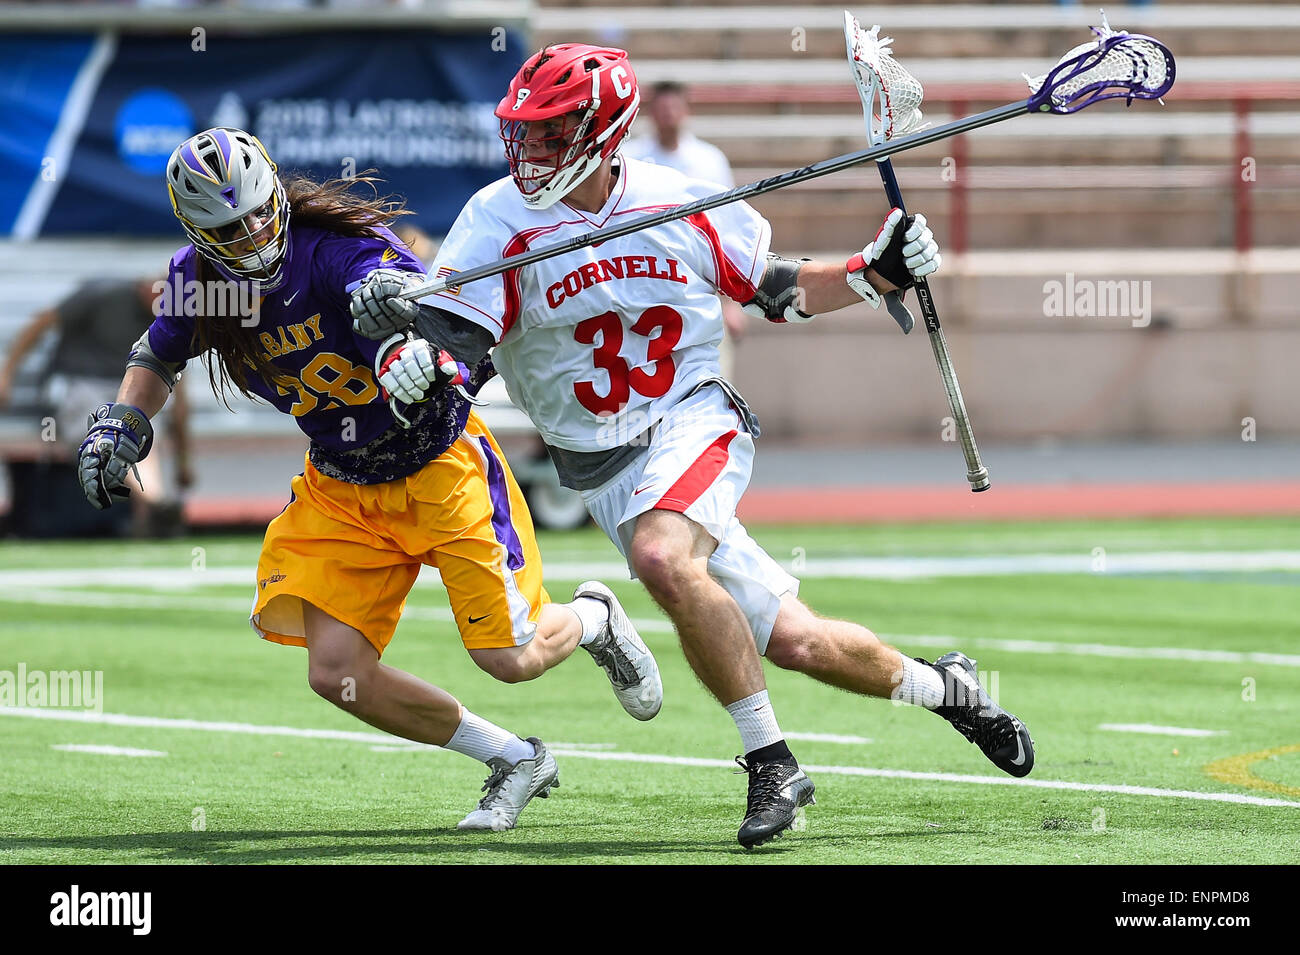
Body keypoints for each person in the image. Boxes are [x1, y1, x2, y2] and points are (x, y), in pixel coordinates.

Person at [354, 45, 1035, 848]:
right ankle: (949, 690)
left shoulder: (679, 199)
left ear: (603, 132)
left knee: (660, 557)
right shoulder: (497, 220)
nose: (529, 150)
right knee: (798, 641)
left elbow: (776, 290)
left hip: (691, 417)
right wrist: (407, 354)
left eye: (552, 131)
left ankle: (772, 761)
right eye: (525, 133)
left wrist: (872, 271)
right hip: (602, 465)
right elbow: (455, 344)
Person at [76, 126, 662, 831]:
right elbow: (159, 354)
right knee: (337, 672)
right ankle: (515, 757)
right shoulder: (199, 283)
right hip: (343, 486)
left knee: (511, 657)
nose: (254, 231)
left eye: (261, 211)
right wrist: (122, 422)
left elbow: (402, 305)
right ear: (197, 230)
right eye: (230, 226)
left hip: (437, 464)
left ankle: (595, 618)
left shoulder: (338, 252)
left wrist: (403, 321)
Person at [0, 278, 192, 537]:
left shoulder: (169, 323)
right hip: (78, 383)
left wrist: (183, 462)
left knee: (140, 428)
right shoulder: (103, 294)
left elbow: (175, 390)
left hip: (125, 387)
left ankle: (151, 511)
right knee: (109, 429)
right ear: (148, 287)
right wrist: (7, 373)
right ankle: (156, 503)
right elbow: (40, 324)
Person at [622, 81, 746, 373]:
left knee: (714, 377)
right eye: (661, 109)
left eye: (673, 108)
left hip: (701, 283)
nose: (668, 115)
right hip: (642, 285)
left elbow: (725, 230)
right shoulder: (631, 158)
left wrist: (732, 304)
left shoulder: (709, 160)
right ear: (650, 113)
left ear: (686, 111)